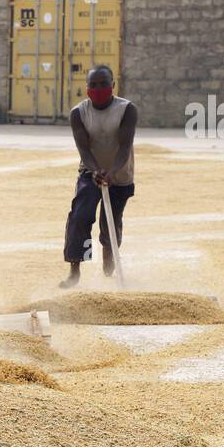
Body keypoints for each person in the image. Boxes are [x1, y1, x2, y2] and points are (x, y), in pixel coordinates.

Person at [60, 65, 137, 288]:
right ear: (86, 88)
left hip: (120, 175)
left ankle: (109, 259)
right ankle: (74, 271)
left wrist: (112, 172)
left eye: (104, 84)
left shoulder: (127, 110)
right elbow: (84, 149)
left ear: (113, 85)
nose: (99, 88)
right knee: (80, 217)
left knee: (110, 222)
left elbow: (124, 147)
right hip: (90, 171)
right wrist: (96, 171)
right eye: (93, 85)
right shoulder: (79, 113)